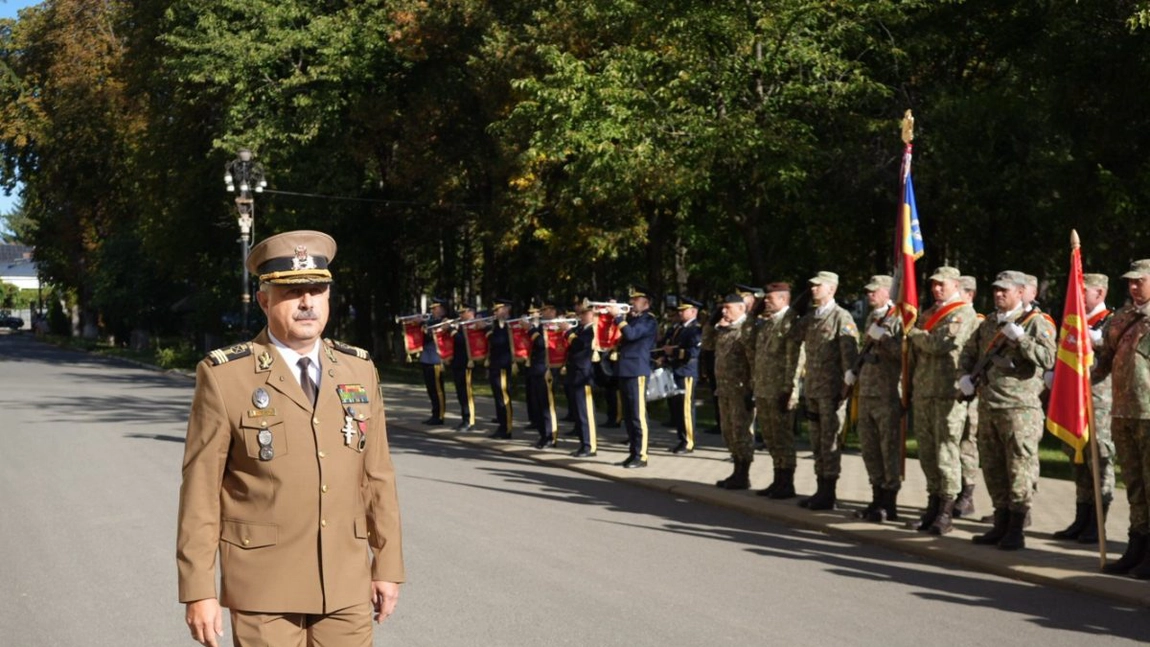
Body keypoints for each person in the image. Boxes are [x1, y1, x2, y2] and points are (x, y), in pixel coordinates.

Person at [178, 230, 403, 647]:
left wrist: (387, 564)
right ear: (264, 300)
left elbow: (377, 477)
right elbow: (201, 490)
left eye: (317, 290)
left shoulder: (359, 371)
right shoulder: (226, 376)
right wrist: (198, 589)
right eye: (292, 291)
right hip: (263, 586)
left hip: (345, 582)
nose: (307, 303)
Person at [958, 270, 1056, 550]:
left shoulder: (1036, 323)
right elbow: (969, 353)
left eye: (1005, 290)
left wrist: (1022, 339)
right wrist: (963, 376)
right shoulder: (988, 323)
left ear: (1020, 292)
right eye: (996, 290)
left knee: (1020, 467)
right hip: (989, 405)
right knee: (993, 466)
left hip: (1020, 409)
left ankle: (1016, 527)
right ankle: (1000, 523)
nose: (999, 294)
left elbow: (1049, 358)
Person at [906, 267, 978, 533]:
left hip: (949, 393)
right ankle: (932, 505)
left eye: (942, 285)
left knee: (946, 451)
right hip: (925, 391)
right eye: (933, 285)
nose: (936, 289)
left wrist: (913, 333)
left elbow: (939, 345)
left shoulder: (963, 313)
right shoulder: (927, 314)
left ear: (956, 285)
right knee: (927, 452)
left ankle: (946, 511)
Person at [1049, 273, 1115, 544]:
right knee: (1077, 456)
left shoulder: (1112, 320)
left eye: (1082, 292)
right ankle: (1082, 516)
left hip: (1099, 399)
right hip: (1075, 399)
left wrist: (1098, 339)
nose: (1076, 298)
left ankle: (1098, 522)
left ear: (1099, 294)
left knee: (1099, 458)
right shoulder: (1074, 321)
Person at [1094, 260, 1150, 576]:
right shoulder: (1123, 318)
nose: (1132, 287)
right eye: (1129, 282)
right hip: (1123, 411)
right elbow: (1106, 357)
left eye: (1139, 281)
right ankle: (1137, 544)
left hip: (1148, 413)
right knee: (1134, 484)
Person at [794, 271, 859, 510]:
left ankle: (829, 493)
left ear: (831, 289)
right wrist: (794, 309)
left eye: (818, 286)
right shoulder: (811, 317)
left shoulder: (841, 317)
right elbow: (789, 334)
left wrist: (845, 389)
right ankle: (820, 488)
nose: (813, 290)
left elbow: (849, 358)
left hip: (832, 391)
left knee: (830, 442)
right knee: (817, 443)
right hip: (812, 389)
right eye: (811, 286)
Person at [850, 276, 904, 523]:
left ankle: (889, 504)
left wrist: (883, 338)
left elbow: (904, 356)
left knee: (888, 448)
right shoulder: (873, 317)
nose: (870, 295)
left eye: (874, 291)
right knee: (870, 448)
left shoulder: (900, 318)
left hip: (888, 393)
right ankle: (876, 498)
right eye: (868, 291)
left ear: (887, 291)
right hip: (868, 391)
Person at [752, 283, 801, 499]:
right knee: (771, 437)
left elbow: (795, 358)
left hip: (780, 389)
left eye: (770, 298)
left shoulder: (789, 322)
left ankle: (787, 482)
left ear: (783, 299)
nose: (766, 302)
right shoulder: (768, 323)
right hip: (764, 388)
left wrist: (789, 388)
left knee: (783, 437)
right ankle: (777, 478)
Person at [609, 286, 658, 468]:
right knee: (628, 416)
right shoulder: (632, 318)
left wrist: (618, 317)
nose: (631, 303)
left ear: (646, 303)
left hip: (637, 370)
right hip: (625, 369)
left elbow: (631, 334)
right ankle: (632, 453)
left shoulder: (649, 320)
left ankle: (642, 455)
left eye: (636, 300)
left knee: (638, 415)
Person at [713, 294, 756, 489]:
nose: (724, 311)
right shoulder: (725, 330)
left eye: (727, 307)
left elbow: (753, 362)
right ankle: (736, 471)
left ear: (741, 308)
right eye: (723, 308)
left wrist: (752, 389)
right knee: (728, 431)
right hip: (724, 388)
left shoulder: (746, 330)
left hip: (740, 390)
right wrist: (713, 324)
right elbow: (706, 344)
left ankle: (743, 474)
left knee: (741, 432)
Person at [954, 275, 984, 518]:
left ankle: (967, 494)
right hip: (954, 388)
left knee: (967, 441)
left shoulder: (978, 322)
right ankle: (956, 490)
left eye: (958, 293)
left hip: (972, 394)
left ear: (969, 295)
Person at [663, 297, 703, 454]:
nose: (680, 313)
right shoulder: (678, 328)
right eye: (679, 310)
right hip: (676, 370)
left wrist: (673, 352)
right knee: (678, 408)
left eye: (683, 310)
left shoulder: (695, 329)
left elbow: (693, 353)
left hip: (686, 372)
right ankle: (682, 438)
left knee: (686, 408)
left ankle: (688, 441)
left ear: (693, 312)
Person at [566, 305, 599, 457]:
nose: (581, 316)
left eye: (585, 313)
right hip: (575, 372)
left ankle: (589, 446)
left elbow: (580, 345)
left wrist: (567, 332)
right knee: (579, 412)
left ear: (593, 315)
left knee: (585, 413)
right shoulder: (581, 329)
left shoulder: (593, 330)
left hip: (584, 374)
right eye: (581, 313)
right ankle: (583, 443)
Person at [528, 300, 560, 449]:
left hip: (547, 369)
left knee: (547, 405)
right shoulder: (541, 325)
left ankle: (550, 436)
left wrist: (530, 330)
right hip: (536, 368)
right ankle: (543, 434)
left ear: (553, 311)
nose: (542, 313)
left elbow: (542, 344)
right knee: (539, 404)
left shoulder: (555, 325)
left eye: (545, 310)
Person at [486, 297, 515, 439]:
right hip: (495, 364)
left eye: (498, 309)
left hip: (504, 364)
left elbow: (500, 341)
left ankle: (506, 428)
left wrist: (487, 331)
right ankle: (501, 425)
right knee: (498, 397)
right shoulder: (496, 324)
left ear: (506, 309)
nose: (495, 312)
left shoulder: (510, 324)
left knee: (504, 397)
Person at [419, 297, 448, 425]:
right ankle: (434, 413)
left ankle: (440, 415)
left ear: (442, 309)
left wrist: (427, 329)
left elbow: (436, 336)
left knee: (438, 389)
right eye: (432, 309)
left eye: (435, 308)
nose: (433, 311)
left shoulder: (444, 322)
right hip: (426, 358)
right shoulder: (430, 321)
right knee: (430, 389)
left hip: (436, 359)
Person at [451, 304, 477, 432]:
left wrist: (453, 331)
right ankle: (464, 418)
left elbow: (464, 341)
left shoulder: (472, 325)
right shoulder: (462, 325)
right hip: (458, 362)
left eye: (463, 312)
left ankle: (469, 421)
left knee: (467, 393)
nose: (460, 315)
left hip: (467, 363)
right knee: (460, 393)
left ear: (470, 312)